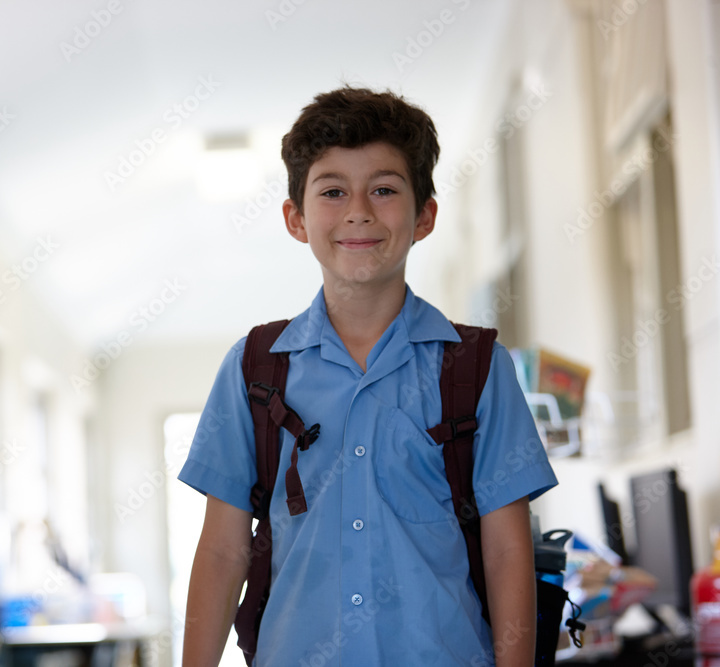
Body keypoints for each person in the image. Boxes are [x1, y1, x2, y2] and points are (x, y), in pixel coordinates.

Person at [178, 86, 558, 666]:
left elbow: (508, 551)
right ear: (296, 219)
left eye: (383, 189)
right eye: (333, 191)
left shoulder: (477, 368)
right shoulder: (254, 368)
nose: (358, 210)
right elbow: (223, 551)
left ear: (425, 215)